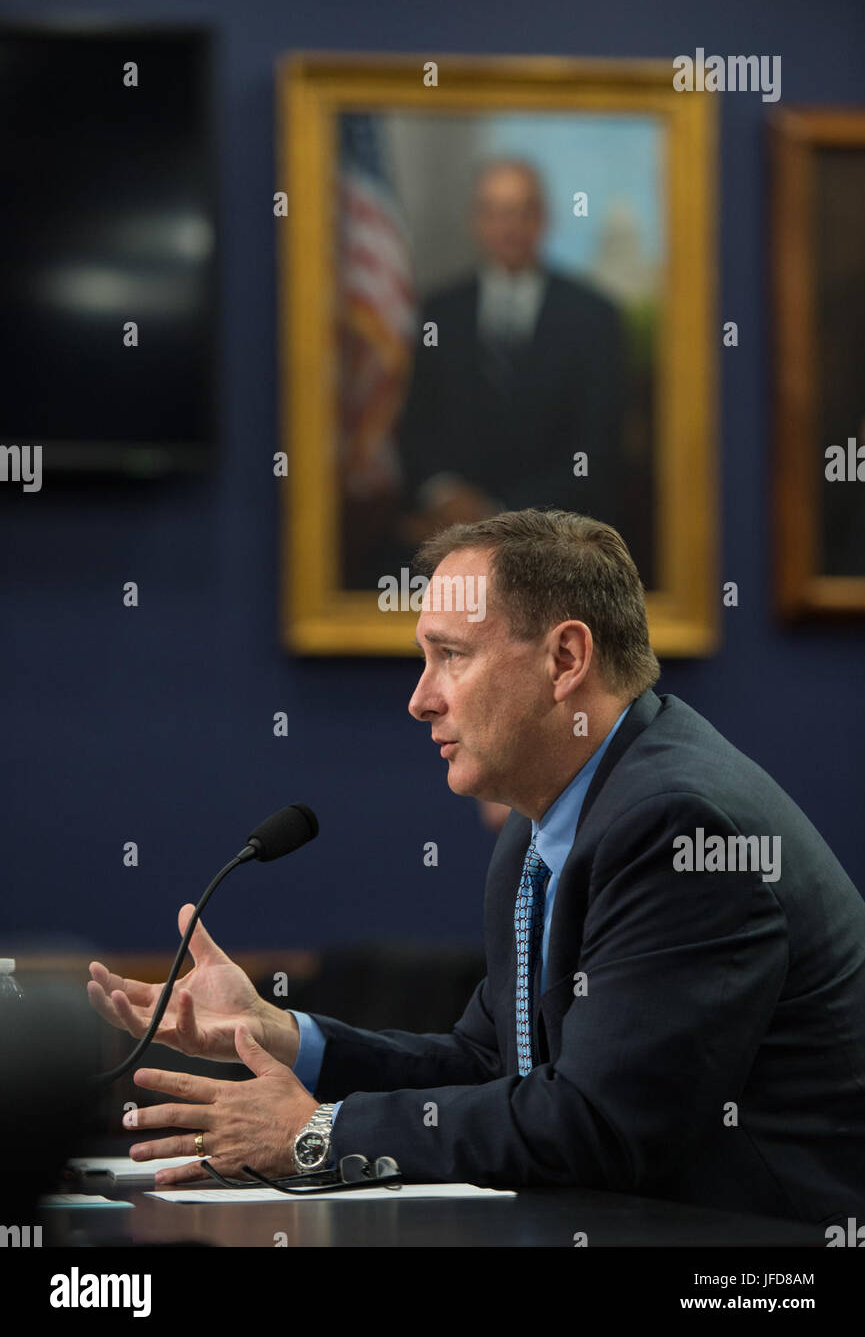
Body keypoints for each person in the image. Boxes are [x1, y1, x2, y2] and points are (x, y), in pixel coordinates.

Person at [88, 509, 865, 1222]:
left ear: (565, 658)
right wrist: (284, 1036)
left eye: (449, 656)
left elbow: (600, 1125)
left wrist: (317, 1132)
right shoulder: (545, 827)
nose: (420, 699)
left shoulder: (677, 826)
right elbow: (491, 1064)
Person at [397, 160, 630, 548]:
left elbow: (597, 449)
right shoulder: (440, 313)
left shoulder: (593, 317)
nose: (508, 226)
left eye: (521, 212)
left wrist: (502, 512)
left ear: (542, 220)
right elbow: (417, 430)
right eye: (494, 212)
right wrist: (444, 493)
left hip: (558, 543)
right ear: (477, 221)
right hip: (451, 536)